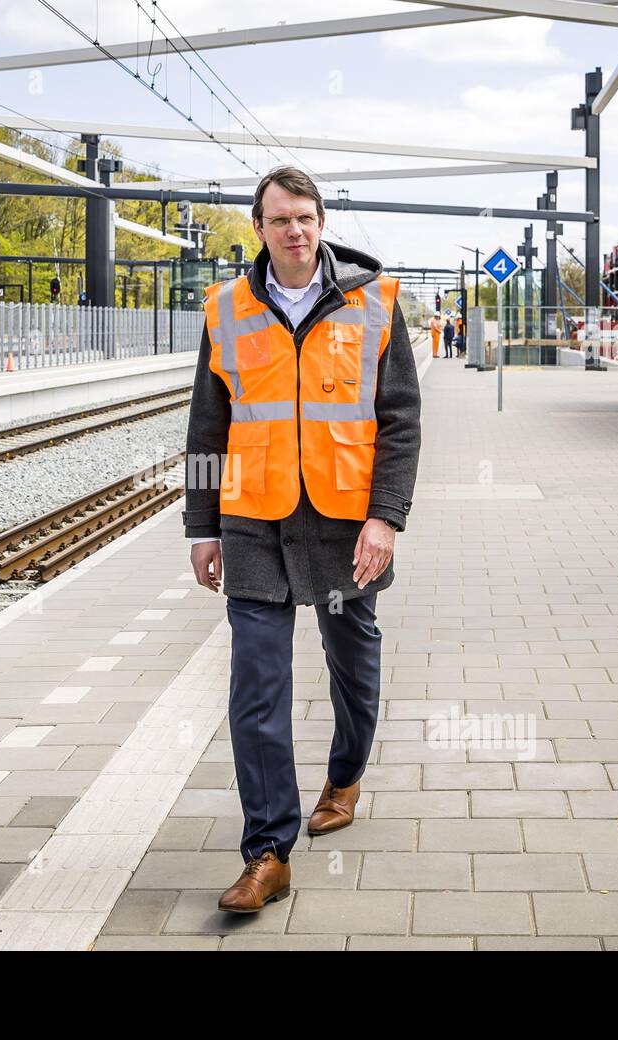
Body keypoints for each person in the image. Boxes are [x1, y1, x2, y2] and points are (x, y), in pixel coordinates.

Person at [184, 165, 421, 914]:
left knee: (352, 666)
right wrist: (200, 525)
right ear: (259, 227)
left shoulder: (374, 300)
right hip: (253, 522)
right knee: (257, 685)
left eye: (306, 217)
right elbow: (206, 427)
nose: (294, 229)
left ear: (321, 223)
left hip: (346, 524)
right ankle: (266, 851)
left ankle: (345, 775)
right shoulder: (224, 307)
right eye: (280, 218)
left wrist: (386, 516)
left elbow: (401, 420)